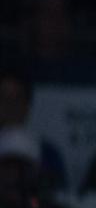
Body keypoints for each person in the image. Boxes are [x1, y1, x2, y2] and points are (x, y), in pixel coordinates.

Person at [0, 63, 69, 193]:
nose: (10, 106)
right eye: (4, 98)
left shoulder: (48, 154)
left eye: (17, 98)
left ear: (28, 105)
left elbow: (57, 198)